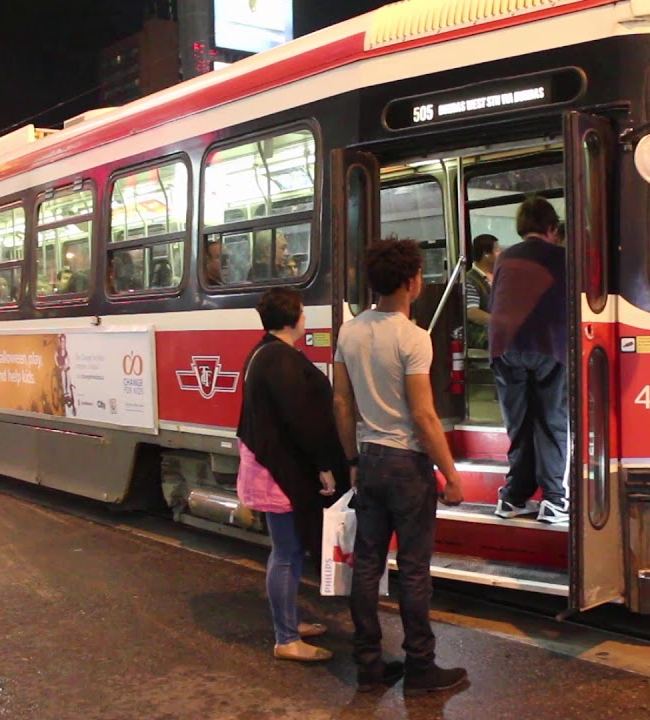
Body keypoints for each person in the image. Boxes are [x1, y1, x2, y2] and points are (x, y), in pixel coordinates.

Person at [333, 237, 469, 695]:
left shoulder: (349, 332)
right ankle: (421, 667)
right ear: (413, 282)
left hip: (369, 459)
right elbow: (424, 415)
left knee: (367, 564)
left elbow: (341, 402)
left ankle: (369, 664)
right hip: (407, 465)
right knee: (413, 568)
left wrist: (352, 458)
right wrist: (450, 473)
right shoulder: (414, 338)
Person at [236, 288, 347, 662]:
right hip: (279, 473)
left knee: (291, 549)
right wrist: (324, 466)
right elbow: (300, 419)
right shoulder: (278, 358)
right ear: (292, 318)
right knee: (286, 552)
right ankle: (286, 639)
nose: (305, 316)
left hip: (274, 467)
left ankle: (291, 622)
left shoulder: (266, 352)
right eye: (301, 311)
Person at [489, 196, 569, 524]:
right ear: (551, 228)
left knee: (519, 425)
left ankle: (513, 497)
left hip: (504, 347)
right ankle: (555, 500)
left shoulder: (504, 257)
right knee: (552, 422)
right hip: (548, 344)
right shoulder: (562, 256)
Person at [465, 234, 499, 350]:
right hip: (481, 332)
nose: (500, 254)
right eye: (497, 250)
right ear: (486, 254)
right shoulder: (470, 279)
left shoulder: (498, 276)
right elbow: (472, 312)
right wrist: (500, 322)